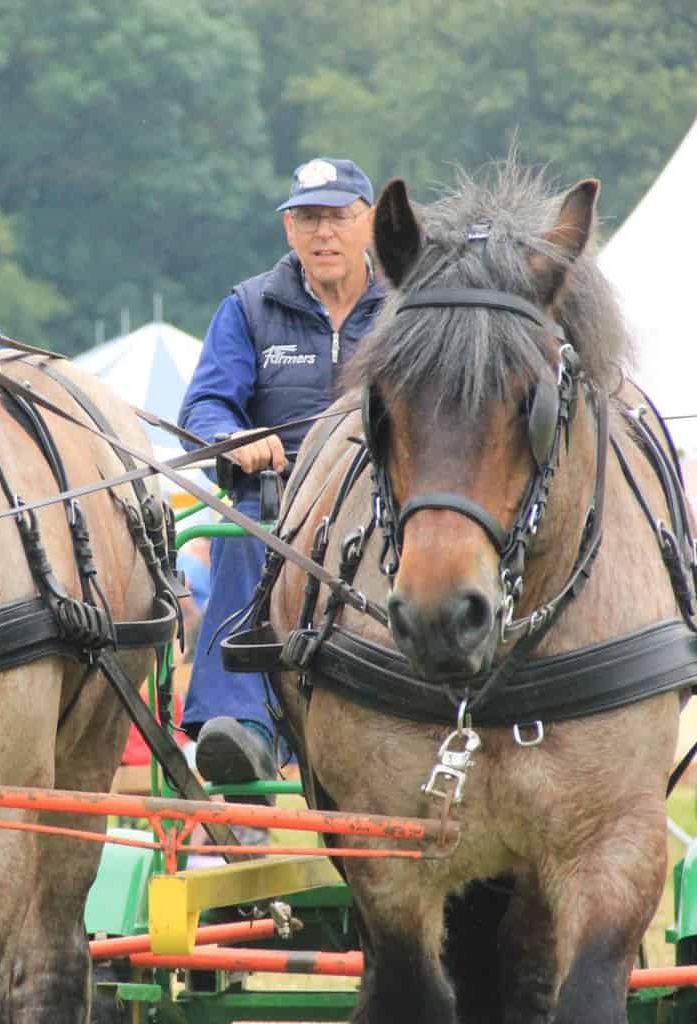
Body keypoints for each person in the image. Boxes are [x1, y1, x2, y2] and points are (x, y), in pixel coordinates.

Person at [177, 157, 389, 787]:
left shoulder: (409, 309)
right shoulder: (248, 307)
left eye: (338, 217)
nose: (324, 233)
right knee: (244, 528)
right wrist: (231, 436)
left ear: (369, 223)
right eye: (307, 218)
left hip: (381, 500)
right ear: (288, 231)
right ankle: (238, 731)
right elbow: (206, 404)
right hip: (277, 499)